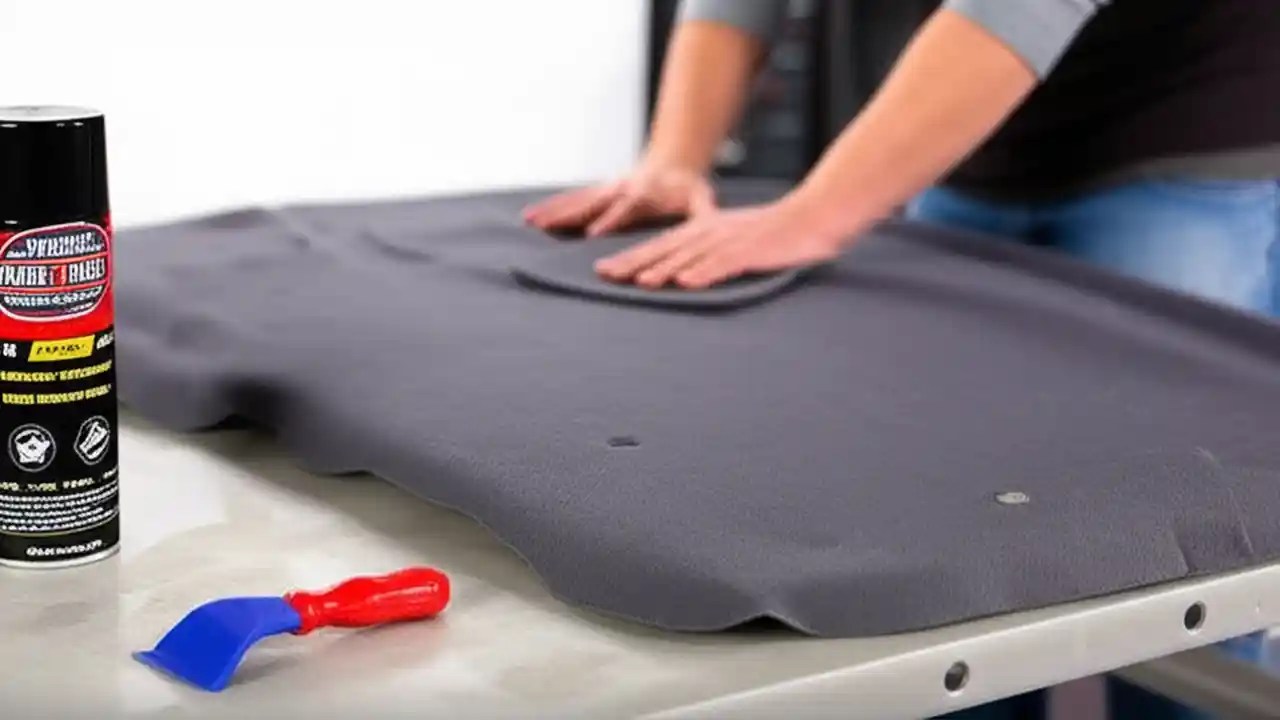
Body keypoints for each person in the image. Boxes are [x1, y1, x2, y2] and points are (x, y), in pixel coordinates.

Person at [524, 1, 1278, 718]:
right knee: (953, 529)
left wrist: (815, 215)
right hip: (977, 141)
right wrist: (674, 159)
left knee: (1180, 543)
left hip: (1184, 130)